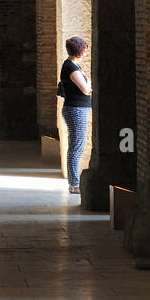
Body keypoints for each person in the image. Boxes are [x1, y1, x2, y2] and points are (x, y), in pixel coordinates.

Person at [59, 36, 92, 195]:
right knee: (76, 148)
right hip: (76, 109)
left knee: (76, 146)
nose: (86, 52)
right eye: (84, 50)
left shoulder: (72, 66)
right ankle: (74, 184)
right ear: (78, 50)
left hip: (77, 108)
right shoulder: (71, 67)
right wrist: (90, 85)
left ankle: (74, 183)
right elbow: (86, 89)